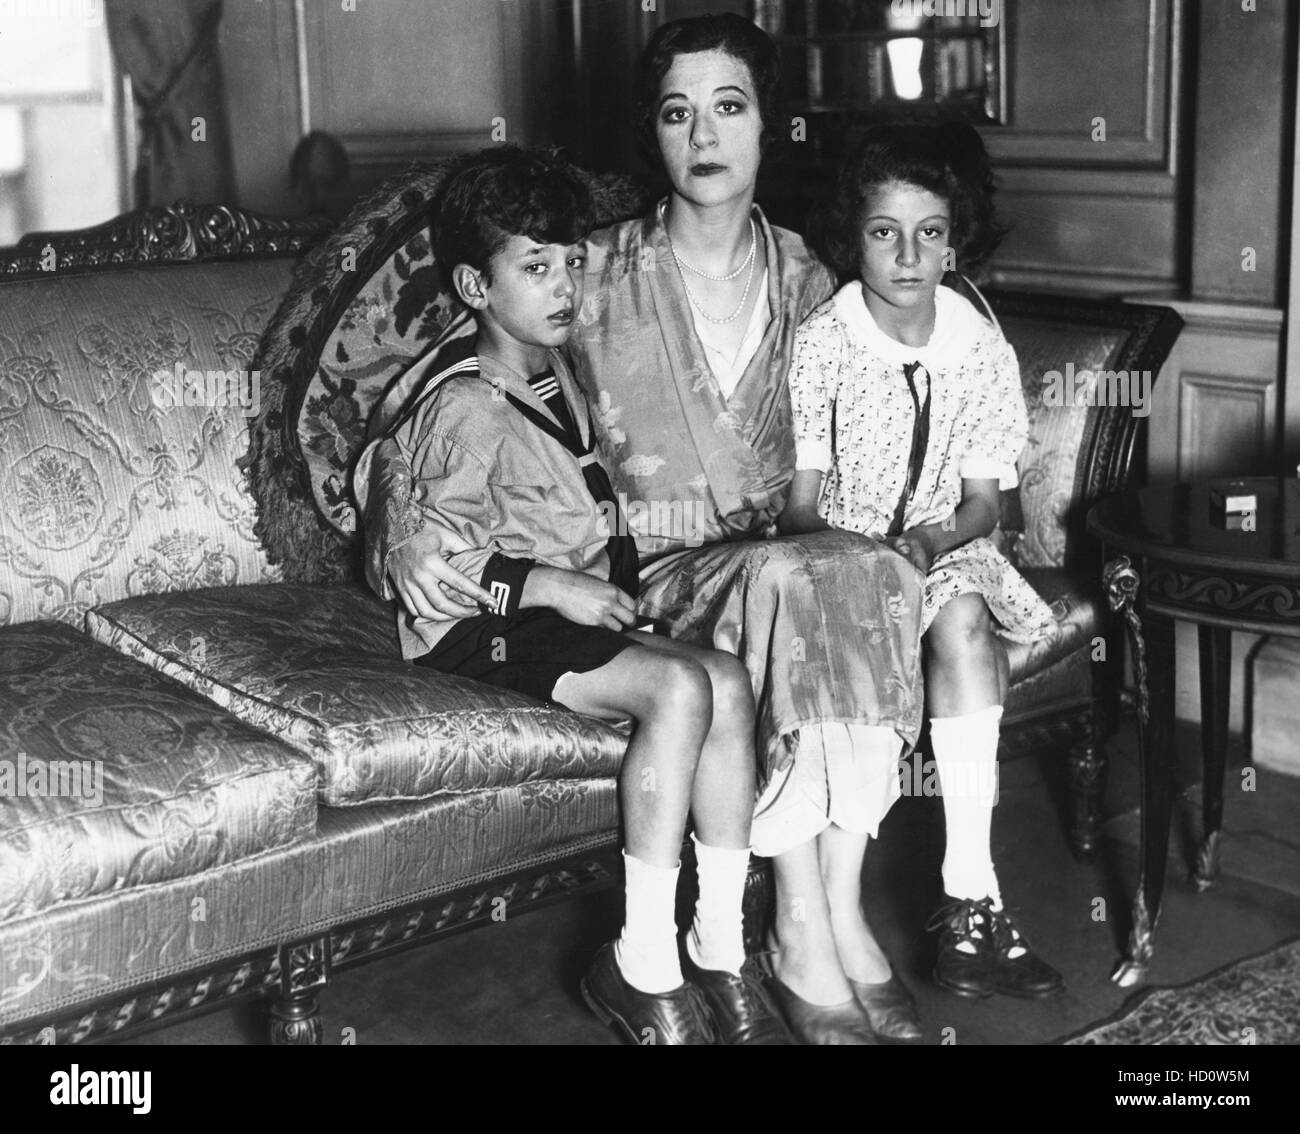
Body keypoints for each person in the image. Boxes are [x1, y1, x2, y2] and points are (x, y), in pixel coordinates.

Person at [354, 146, 792, 1046]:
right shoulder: (467, 407)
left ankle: (718, 945)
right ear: (476, 285)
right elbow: (435, 567)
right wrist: (551, 584)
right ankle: (642, 960)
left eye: (572, 262)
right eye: (536, 266)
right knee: (677, 689)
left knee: (730, 683)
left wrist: (607, 589)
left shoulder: (555, 375)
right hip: (479, 632)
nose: (564, 285)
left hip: (553, 616)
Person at [560, 14, 927, 1044]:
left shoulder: (818, 282)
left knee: (873, 572)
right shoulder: (587, 276)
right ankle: (801, 928)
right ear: (654, 132)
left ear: (769, 127)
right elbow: (479, 396)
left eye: (729, 107)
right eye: (678, 113)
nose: (704, 134)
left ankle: (837, 908)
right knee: (794, 579)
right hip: (662, 579)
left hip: (793, 560)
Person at [781, 122, 1065, 1000]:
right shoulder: (825, 341)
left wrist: (930, 544)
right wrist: (849, 556)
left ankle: (969, 896)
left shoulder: (978, 346)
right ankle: (826, 917)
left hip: (944, 546)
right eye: (883, 232)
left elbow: (984, 501)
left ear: (956, 237)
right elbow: (799, 496)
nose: (908, 255)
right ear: (852, 233)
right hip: (843, 545)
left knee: (966, 617)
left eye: (930, 233)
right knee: (867, 613)